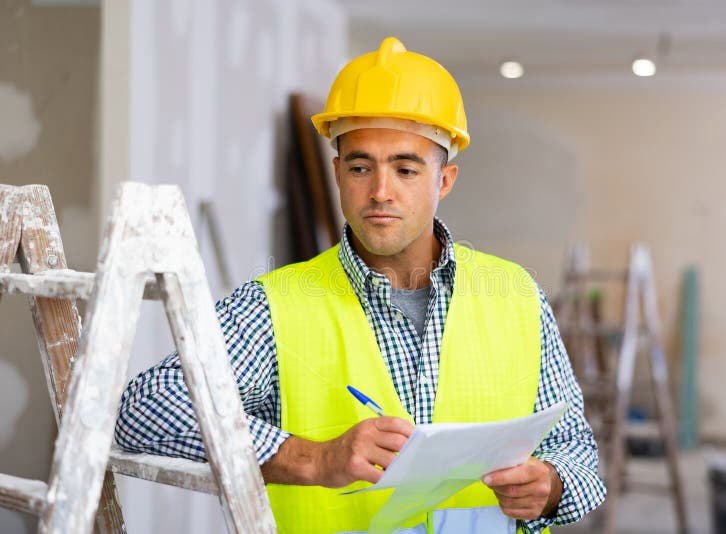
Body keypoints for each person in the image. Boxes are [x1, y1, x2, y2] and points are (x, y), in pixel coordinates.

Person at [115, 36, 605, 534]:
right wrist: (311, 459)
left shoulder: (517, 296)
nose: (380, 192)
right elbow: (140, 411)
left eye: (406, 168)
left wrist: (551, 487)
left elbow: (580, 459)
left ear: (445, 180)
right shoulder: (274, 306)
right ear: (337, 173)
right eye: (360, 166)